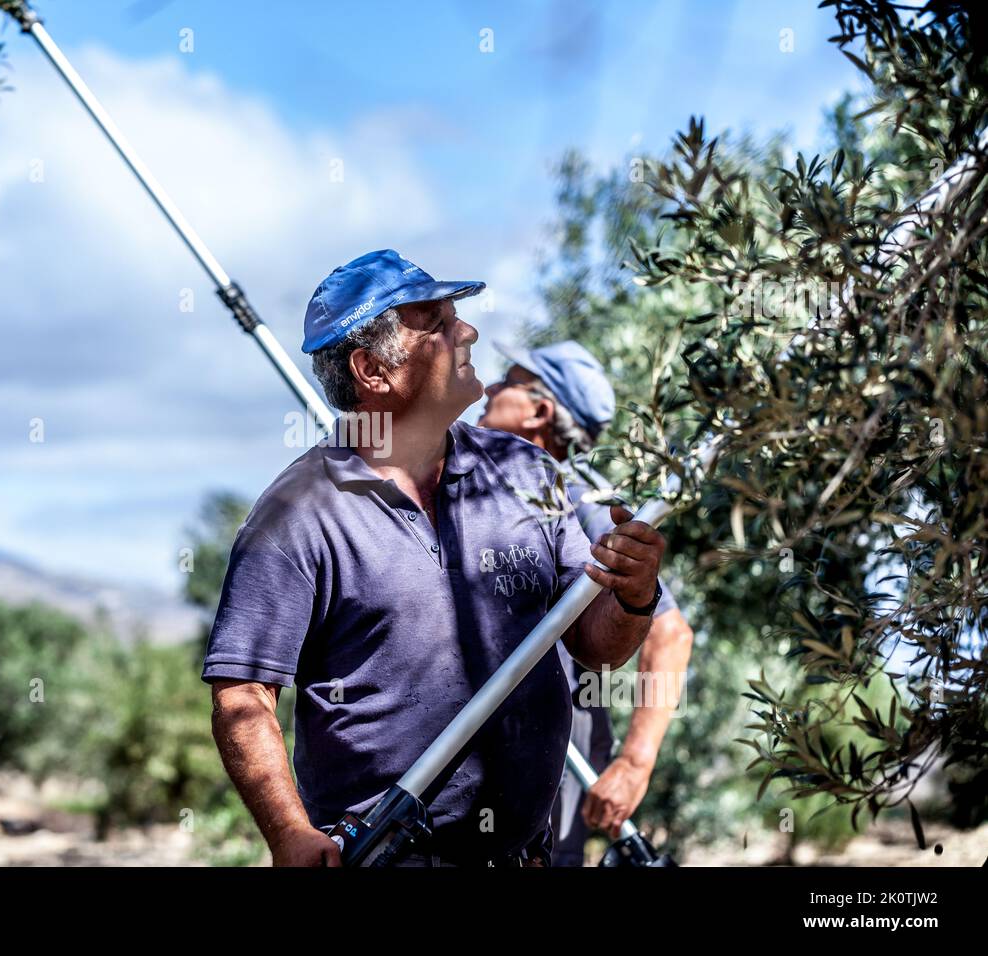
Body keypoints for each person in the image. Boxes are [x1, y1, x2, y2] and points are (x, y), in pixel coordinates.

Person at [201, 250, 667, 866]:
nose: (467, 331)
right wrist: (290, 833)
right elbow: (243, 699)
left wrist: (632, 593)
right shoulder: (296, 515)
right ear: (372, 369)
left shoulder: (524, 471)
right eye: (437, 323)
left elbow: (594, 643)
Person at [478, 340, 695, 865]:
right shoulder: (500, 492)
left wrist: (635, 764)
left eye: (507, 380)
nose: (488, 388)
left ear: (539, 411)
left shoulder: (577, 500)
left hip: (556, 751)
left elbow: (670, 633)